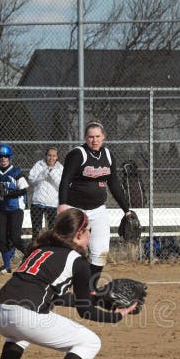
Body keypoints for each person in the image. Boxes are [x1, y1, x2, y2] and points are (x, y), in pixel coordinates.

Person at [0, 208, 138, 359]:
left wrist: (99, 300)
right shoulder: (78, 262)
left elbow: (56, 297)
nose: (90, 235)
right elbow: (84, 312)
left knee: (19, 336)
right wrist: (116, 316)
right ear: (78, 234)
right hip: (24, 315)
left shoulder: (38, 250)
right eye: (88, 230)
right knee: (91, 342)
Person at [58, 121, 132, 288]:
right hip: (75, 209)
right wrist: (62, 205)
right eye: (91, 136)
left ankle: (88, 289)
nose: (94, 140)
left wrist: (126, 210)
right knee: (72, 250)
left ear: (103, 137)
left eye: (98, 136)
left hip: (98, 209)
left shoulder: (108, 155)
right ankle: (61, 285)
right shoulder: (78, 154)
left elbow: (114, 184)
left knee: (100, 251)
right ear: (85, 137)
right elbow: (65, 180)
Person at [0, 143, 28, 274]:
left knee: (15, 237)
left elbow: (23, 190)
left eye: (6, 156)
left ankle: (31, 256)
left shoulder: (16, 172)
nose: (3, 159)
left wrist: (7, 193)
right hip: (1, 209)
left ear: (9, 157)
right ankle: (6, 266)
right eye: (0, 156)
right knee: (1, 238)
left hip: (15, 208)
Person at [27, 147, 63, 239]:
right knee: (36, 231)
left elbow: (62, 185)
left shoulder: (60, 168)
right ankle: (35, 250)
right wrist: (43, 174)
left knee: (53, 230)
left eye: (54, 156)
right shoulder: (39, 165)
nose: (51, 158)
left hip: (53, 204)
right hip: (38, 202)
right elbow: (31, 180)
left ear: (57, 157)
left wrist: (52, 175)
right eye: (49, 155)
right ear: (46, 156)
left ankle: (51, 250)